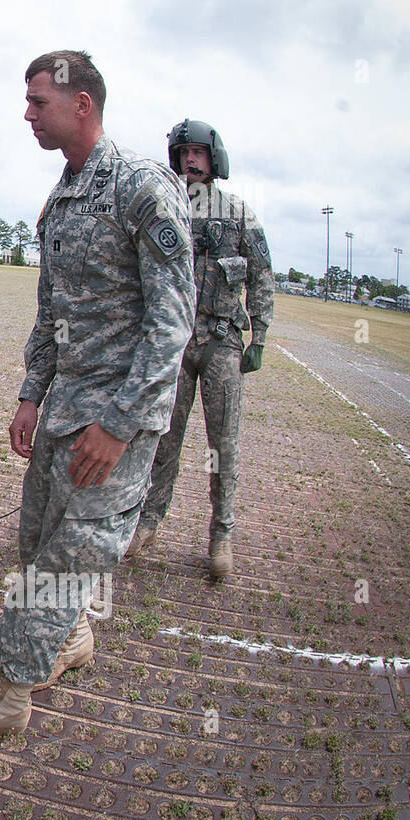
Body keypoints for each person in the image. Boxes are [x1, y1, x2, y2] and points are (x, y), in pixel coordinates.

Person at [0, 51, 195, 738]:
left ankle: (9, 697)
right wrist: (29, 393)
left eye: (38, 101)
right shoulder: (64, 197)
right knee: (37, 546)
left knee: (66, 562)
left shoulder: (141, 187)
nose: (27, 113)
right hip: (64, 410)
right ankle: (69, 640)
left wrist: (123, 423)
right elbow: (51, 310)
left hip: (113, 423)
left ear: (82, 105)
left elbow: (173, 321)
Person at [125, 120, 274, 577]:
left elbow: (261, 276)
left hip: (223, 343)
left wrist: (260, 336)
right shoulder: (165, 206)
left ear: (215, 158)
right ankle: (149, 520)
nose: (191, 159)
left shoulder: (240, 213)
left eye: (200, 153)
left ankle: (221, 534)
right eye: (184, 152)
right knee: (164, 437)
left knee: (223, 444)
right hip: (176, 343)